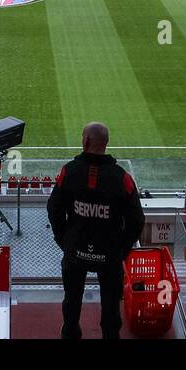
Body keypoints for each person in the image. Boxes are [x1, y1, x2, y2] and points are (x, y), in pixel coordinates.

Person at [47, 122, 144, 339]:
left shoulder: (69, 172)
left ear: (86, 141)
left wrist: (64, 240)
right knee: (111, 306)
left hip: (75, 251)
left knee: (72, 300)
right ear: (106, 143)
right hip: (109, 254)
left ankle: (71, 333)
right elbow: (137, 220)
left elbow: (53, 208)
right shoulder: (122, 178)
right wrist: (121, 249)